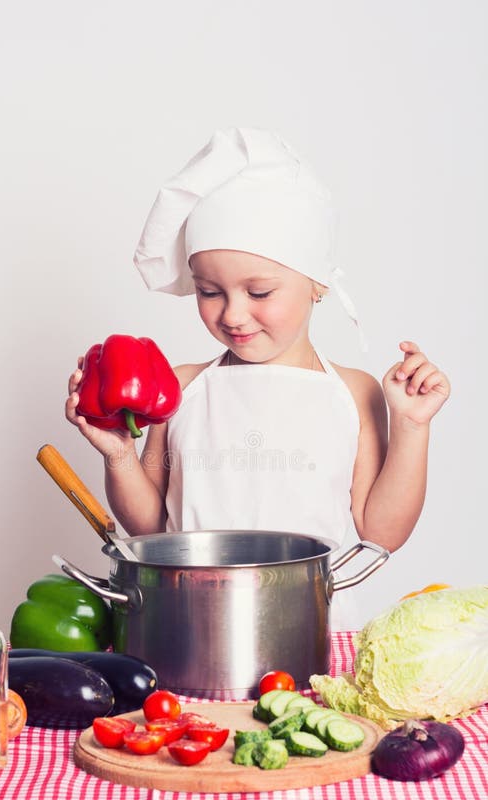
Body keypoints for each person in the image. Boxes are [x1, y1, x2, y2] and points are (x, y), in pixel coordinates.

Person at [66, 127, 450, 557]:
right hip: (189, 596)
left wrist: (411, 426)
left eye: (260, 293)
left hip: (308, 599)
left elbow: (381, 534)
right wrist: (120, 454)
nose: (232, 314)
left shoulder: (355, 392)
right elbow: (153, 527)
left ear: (317, 283)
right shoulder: (182, 387)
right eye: (209, 291)